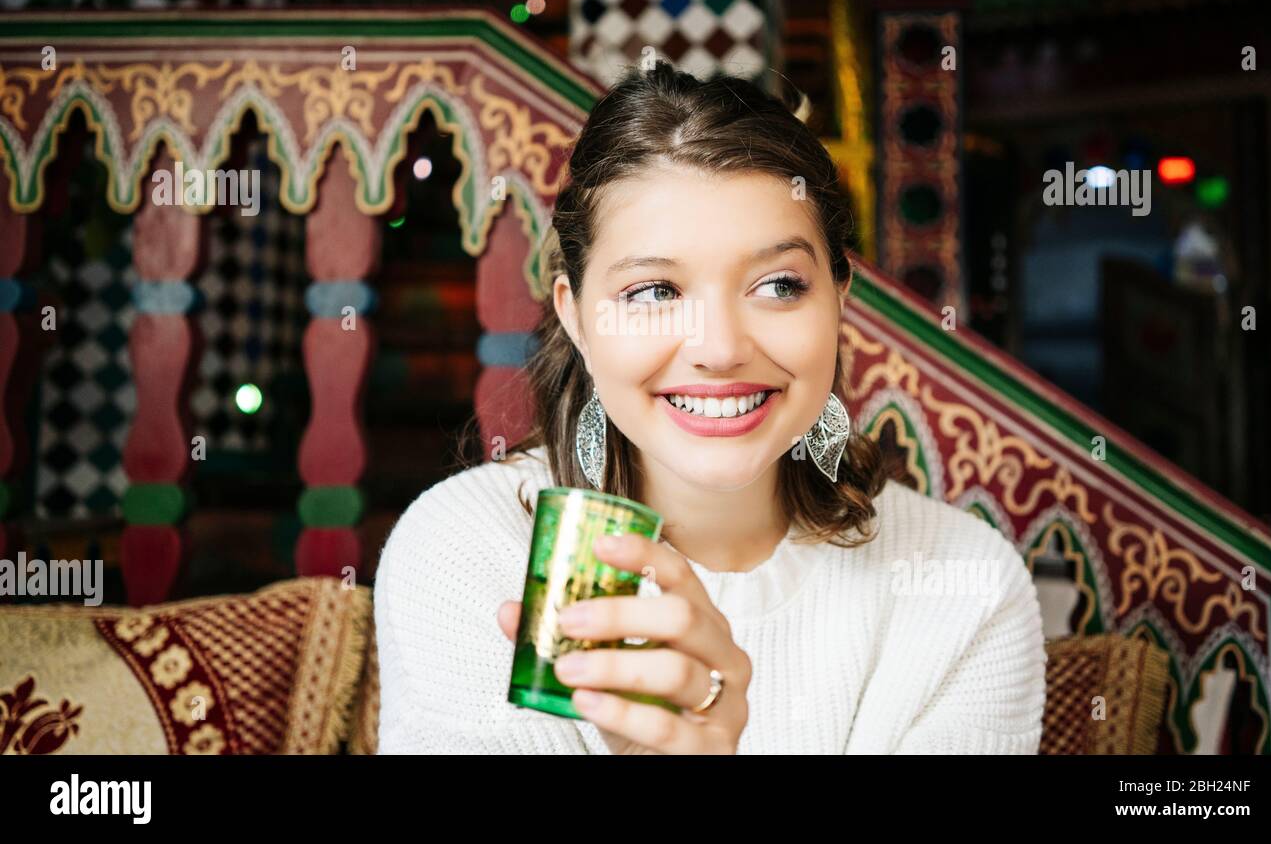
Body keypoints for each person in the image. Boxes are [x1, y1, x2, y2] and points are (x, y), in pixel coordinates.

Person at [374, 62, 1046, 754]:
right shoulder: (469, 553)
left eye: (779, 285)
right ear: (575, 317)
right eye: (654, 292)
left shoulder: (966, 588)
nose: (720, 349)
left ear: (840, 296)